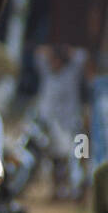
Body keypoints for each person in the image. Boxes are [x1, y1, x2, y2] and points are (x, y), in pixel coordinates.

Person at [34, 44, 88, 200]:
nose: (53, 64)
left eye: (56, 61)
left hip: (73, 125)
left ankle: (79, 191)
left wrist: (66, 52)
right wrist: (50, 51)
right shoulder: (47, 74)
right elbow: (38, 55)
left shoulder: (71, 74)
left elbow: (81, 56)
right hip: (51, 127)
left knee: (79, 157)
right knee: (55, 160)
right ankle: (57, 190)